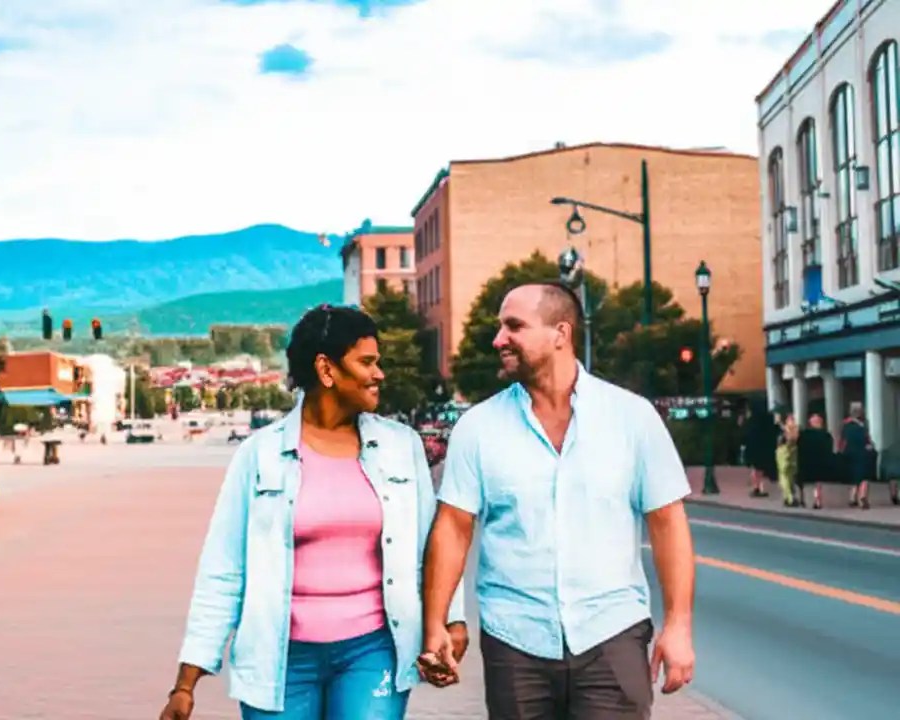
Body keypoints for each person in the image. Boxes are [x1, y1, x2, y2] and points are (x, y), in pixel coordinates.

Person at [159, 304, 467, 720]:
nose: (380, 374)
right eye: (367, 362)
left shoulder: (401, 446)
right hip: (280, 658)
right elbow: (223, 569)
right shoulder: (260, 455)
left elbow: (431, 546)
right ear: (327, 369)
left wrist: (451, 622)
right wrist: (186, 683)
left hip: (373, 650)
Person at [419, 281, 697, 719]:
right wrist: (435, 621)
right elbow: (453, 528)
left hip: (611, 634)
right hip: (515, 641)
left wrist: (678, 626)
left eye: (514, 326)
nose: (498, 340)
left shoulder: (631, 417)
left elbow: (668, 523)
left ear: (560, 334)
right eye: (499, 327)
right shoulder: (478, 427)